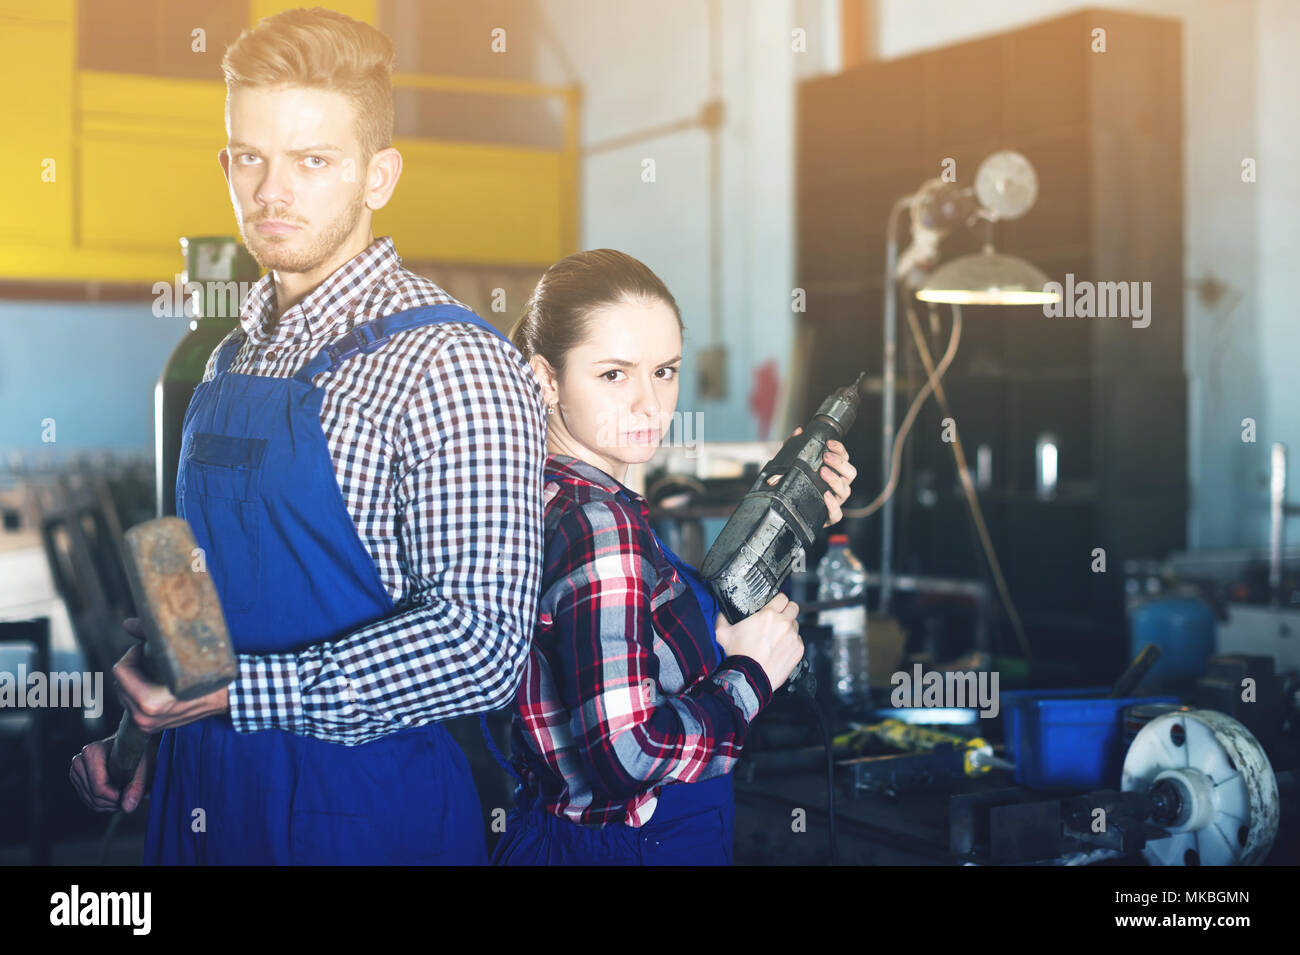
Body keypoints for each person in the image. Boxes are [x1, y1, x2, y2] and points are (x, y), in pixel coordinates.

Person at [67, 7, 545, 865]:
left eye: (313, 160)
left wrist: (231, 696)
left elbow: (481, 648)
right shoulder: (224, 359)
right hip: (201, 805)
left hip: (361, 820)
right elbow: (191, 609)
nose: (272, 192)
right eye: (251, 156)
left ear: (379, 175)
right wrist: (136, 738)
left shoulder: (451, 361)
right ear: (225, 162)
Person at [492, 249, 856, 865]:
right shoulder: (597, 522)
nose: (649, 403)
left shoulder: (541, 492)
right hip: (625, 846)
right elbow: (629, 756)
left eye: (664, 371)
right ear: (546, 378)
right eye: (614, 374)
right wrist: (751, 674)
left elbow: (629, 644)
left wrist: (782, 508)